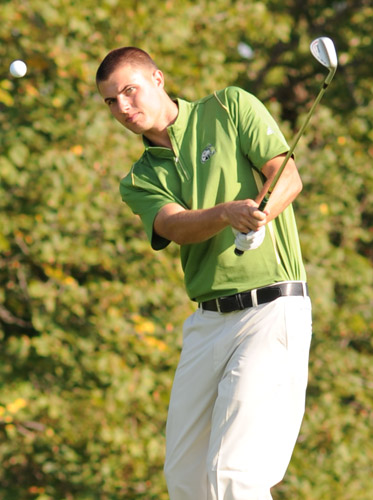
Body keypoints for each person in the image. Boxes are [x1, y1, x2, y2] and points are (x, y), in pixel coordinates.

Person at [96, 47, 313, 500]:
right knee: (185, 477)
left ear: (157, 78)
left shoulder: (230, 107)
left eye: (129, 91)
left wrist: (261, 215)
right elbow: (173, 225)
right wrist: (227, 214)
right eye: (111, 102)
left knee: (234, 472)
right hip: (207, 324)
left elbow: (286, 175)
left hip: (270, 311)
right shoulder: (138, 178)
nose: (123, 108)